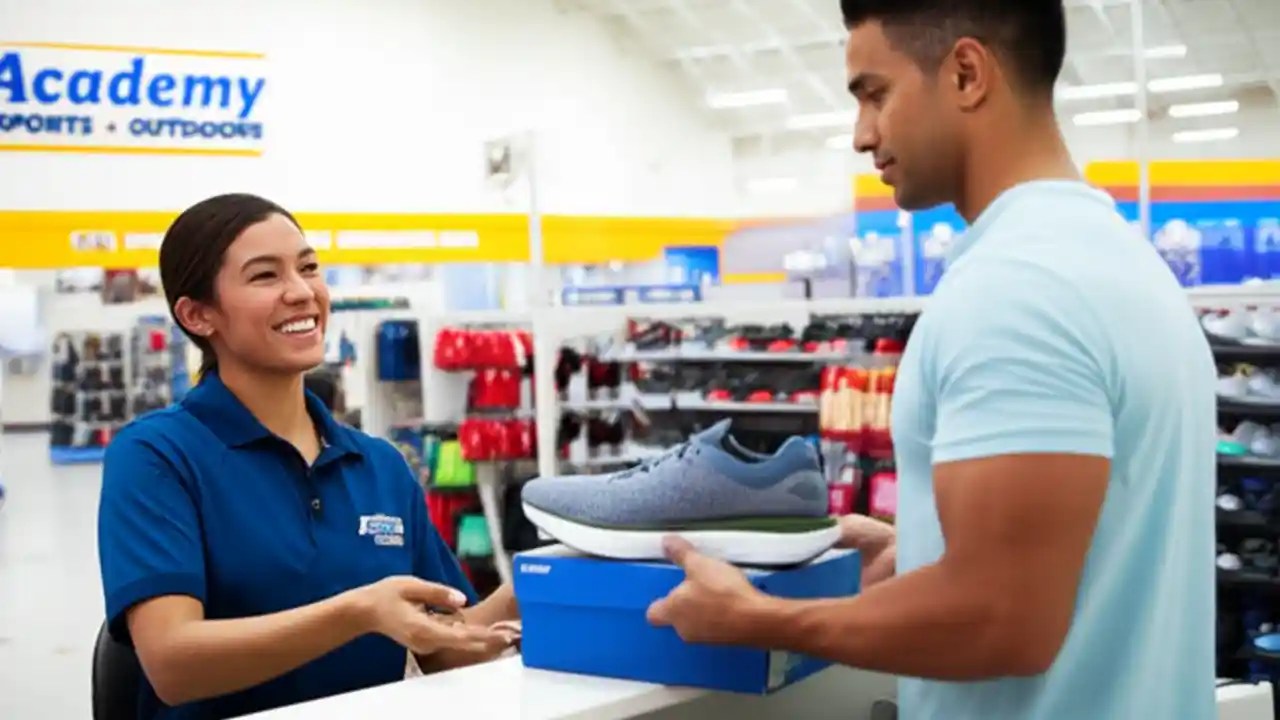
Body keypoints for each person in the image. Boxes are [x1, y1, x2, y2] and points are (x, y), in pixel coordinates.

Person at [646, 2, 1216, 719]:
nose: (862, 136)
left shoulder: (1018, 291)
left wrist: (761, 618)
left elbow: (1000, 618)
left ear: (967, 74)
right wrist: (928, 550)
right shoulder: (1120, 263)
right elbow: (1096, 547)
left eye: (874, 93)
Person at [97, 194, 520, 720]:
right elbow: (173, 662)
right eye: (264, 276)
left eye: (308, 267)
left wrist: (537, 579)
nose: (301, 292)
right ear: (198, 315)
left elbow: (445, 648)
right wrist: (359, 613)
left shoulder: (379, 466)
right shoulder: (157, 457)